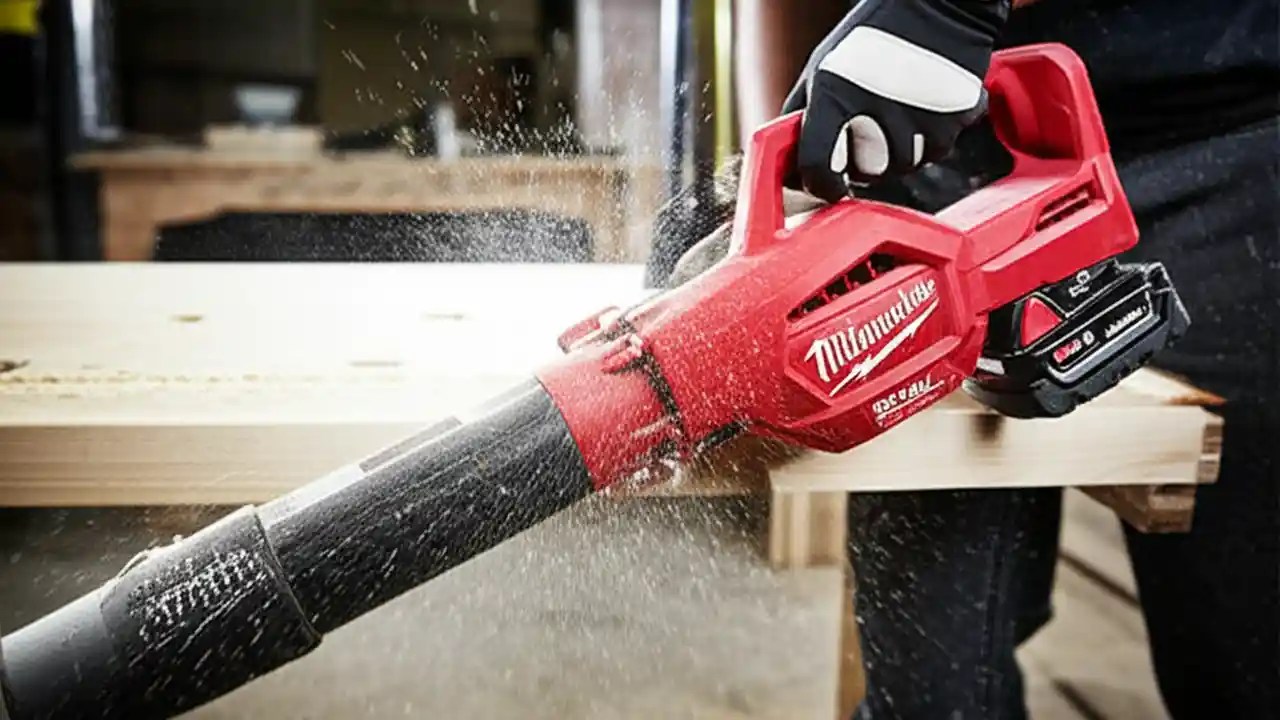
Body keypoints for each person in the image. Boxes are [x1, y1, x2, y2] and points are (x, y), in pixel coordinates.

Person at [646, 1, 1279, 717]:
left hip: (1227, 143)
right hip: (943, 169)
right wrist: (793, 195)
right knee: (928, 689)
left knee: (1244, 664)